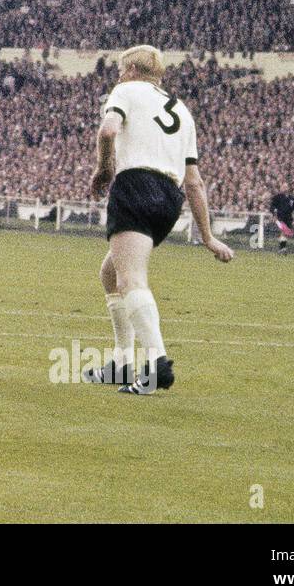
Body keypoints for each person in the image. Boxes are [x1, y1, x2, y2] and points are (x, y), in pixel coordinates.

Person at [86, 45, 233, 395]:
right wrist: (208, 236)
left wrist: (104, 169)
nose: (118, 76)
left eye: (121, 70)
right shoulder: (182, 111)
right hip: (169, 197)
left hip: (136, 184)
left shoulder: (126, 91)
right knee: (111, 273)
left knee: (132, 279)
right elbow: (194, 181)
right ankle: (122, 363)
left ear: (134, 70)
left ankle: (157, 365)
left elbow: (108, 131)